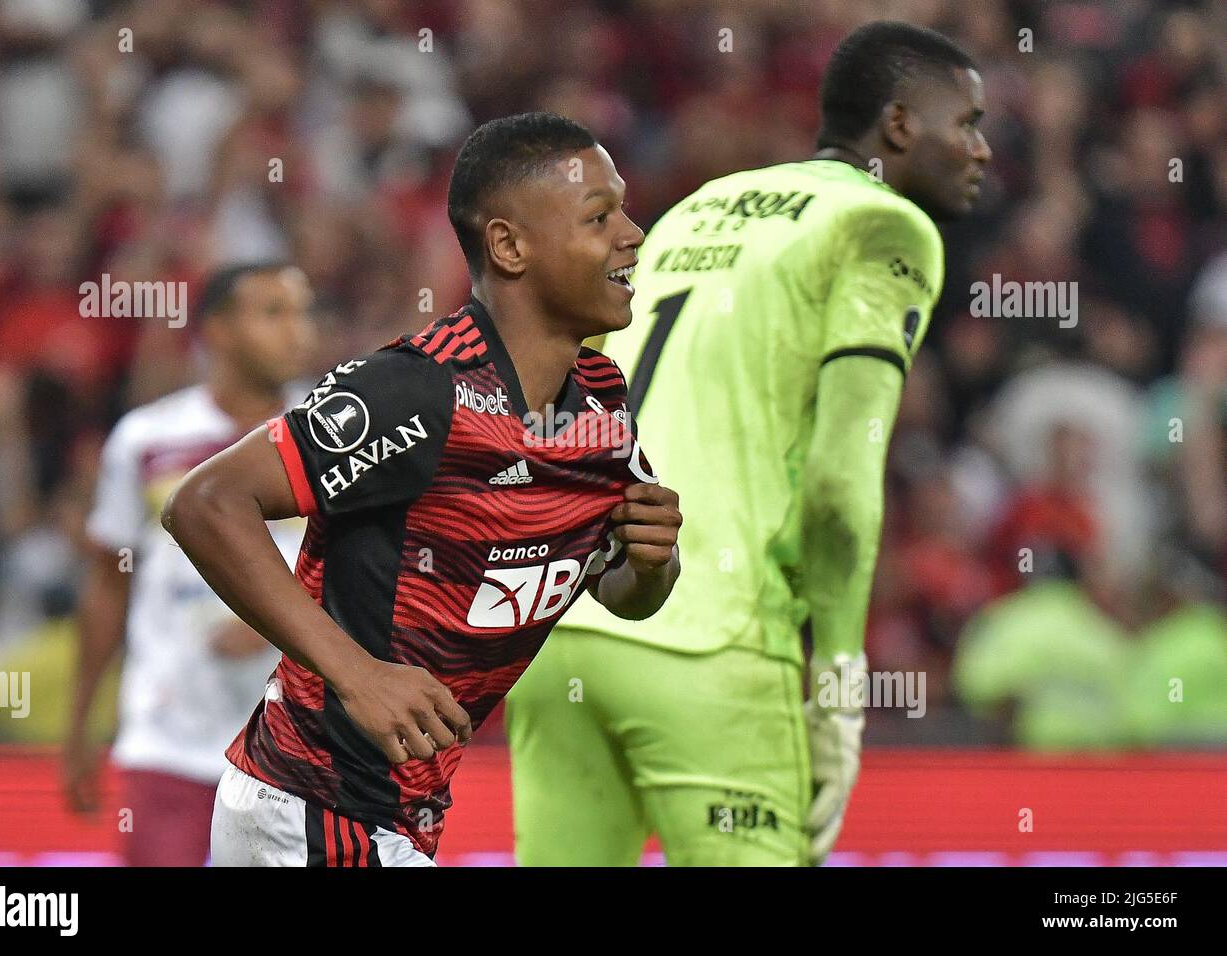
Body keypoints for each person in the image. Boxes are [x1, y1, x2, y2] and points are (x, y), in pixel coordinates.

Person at [507, 21, 991, 866]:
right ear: (902, 124)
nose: (982, 149)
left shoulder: (698, 207)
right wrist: (840, 685)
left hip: (562, 630)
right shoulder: (883, 227)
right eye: (969, 123)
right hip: (711, 638)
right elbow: (842, 486)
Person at [163, 112, 682, 867]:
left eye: (625, 210)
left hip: (386, 817)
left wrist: (654, 560)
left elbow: (625, 593)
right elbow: (205, 503)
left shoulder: (602, 401)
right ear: (509, 246)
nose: (634, 234)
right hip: (314, 807)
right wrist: (357, 674)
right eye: (600, 216)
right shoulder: (419, 390)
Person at [63, 262, 318, 866]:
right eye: (273, 312)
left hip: (299, 743)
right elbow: (107, 586)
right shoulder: (146, 440)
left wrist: (270, 619)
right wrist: (79, 727)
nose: (297, 331)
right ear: (218, 331)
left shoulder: (334, 435)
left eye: (303, 312)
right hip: (170, 736)